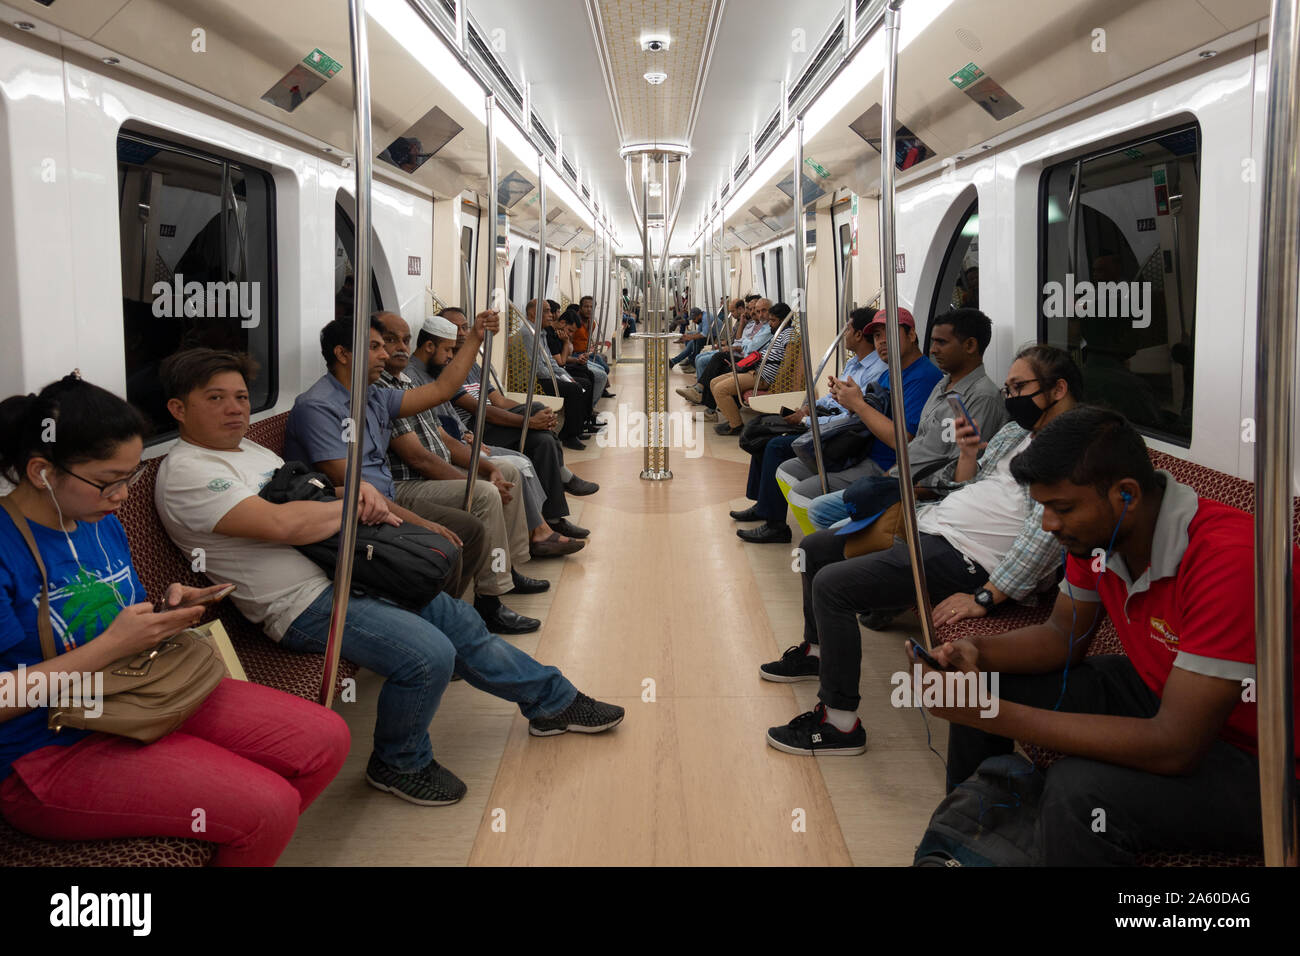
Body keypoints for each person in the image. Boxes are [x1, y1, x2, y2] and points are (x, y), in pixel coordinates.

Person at [155, 349, 625, 807]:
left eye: (240, 397)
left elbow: (311, 495)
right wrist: (348, 504)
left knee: (459, 621)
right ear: (179, 408)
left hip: (345, 568)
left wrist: (351, 490)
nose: (235, 409)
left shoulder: (249, 450)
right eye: (216, 399)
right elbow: (284, 524)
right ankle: (398, 762)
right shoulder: (189, 473)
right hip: (299, 603)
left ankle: (553, 702)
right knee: (429, 655)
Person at [922, 405, 1298, 865]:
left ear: (1126, 494)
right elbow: (1063, 634)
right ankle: (970, 840)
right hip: (1166, 693)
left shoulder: (1231, 561)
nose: (1047, 525)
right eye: (1043, 507)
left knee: (1080, 795)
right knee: (984, 677)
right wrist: (977, 649)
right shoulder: (1100, 535)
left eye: (1061, 508)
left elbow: (1176, 745)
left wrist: (989, 714)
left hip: (1269, 764)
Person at [0, 373, 349, 865]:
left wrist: (166, 611)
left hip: (133, 691)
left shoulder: (98, 521)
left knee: (325, 739)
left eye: (131, 477)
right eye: (109, 480)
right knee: (267, 808)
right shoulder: (6, 547)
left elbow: (116, 619)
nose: (123, 494)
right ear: (41, 471)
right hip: (47, 746)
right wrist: (114, 645)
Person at [762, 346, 1081, 756]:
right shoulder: (1017, 434)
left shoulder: (1071, 451)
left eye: (1020, 387)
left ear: (1058, 389)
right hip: (937, 527)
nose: (1010, 398)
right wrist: (968, 455)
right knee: (814, 549)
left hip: (969, 557)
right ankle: (817, 652)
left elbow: (1045, 537)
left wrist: (987, 594)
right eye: (1008, 388)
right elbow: (968, 485)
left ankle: (839, 722)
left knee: (832, 586)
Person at [284, 313, 547, 632]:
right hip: (355, 514)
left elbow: (440, 390)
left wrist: (475, 337)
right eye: (374, 347)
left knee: (471, 530)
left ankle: (445, 616)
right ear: (342, 354)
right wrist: (423, 523)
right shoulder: (319, 407)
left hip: (388, 498)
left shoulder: (374, 396)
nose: (385, 354)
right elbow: (352, 487)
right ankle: (435, 621)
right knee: (451, 533)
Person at [376, 313, 569, 628]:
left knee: (508, 471)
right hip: (410, 481)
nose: (399, 348)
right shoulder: (383, 392)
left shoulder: (406, 382)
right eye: (388, 341)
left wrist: (489, 467)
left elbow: (446, 440)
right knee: (485, 494)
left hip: (435, 468)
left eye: (404, 340)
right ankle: (490, 601)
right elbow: (420, 460)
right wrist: (474, 480)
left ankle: (507, 568)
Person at [785, 308, 1007, 536]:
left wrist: (908, 487)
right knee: (818, 508)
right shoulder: (942, 385)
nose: (933, 349)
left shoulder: (979, 397)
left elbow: (959, 469)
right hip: (895, 474)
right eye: (877, 336)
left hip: (916, 490)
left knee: (825, 523)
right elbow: (920, 443)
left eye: (941, 342)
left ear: (970, 346)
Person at [731, 305, 888, 542]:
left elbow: (853, 417)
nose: (843, 335)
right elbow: (832, 397)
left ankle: (776, 526)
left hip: (843, 432)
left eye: (847, 329)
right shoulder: (855, 363)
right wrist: (806, 409)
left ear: (858, 335)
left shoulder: (877, 370)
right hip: (824, 418)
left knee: (775, 446)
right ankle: (762, 503)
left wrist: (807, 420)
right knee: (762, 433)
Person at [772, 308, 944, 522]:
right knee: (786, 470)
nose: (881, 341)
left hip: (884, 463)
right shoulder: (891, 373)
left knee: (802, 495)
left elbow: (903, 440)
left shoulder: (922, 378)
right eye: (877, 335)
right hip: (862, 451)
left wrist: (859, 405)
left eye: (889, 333)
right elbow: (875, 414)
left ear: (911, 335)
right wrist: (851, 402)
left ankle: (832, 542)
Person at [428, 308, 598, 521]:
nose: (462, 333)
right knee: (538, 421)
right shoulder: (447, 368)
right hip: (477, 425)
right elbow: (481, 411)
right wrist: (528, 421)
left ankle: (553, 519)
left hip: (493, 419)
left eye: (465, 327)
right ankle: (562, 486)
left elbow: (498, 400)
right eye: (455, 328)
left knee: (542, 433)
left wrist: (532, 413)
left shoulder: (472, 363)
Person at [710, 302, 794, 435]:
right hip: (755, 371)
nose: (770, 323)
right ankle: (732, 419)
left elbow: (788, 360)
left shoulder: (789, 334)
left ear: (784, 321)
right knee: (714, 382)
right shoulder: (777, 334)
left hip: (763, 377)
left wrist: (778, 384)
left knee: (720, 390)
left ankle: (736, 425)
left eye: (773, 320)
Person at [527, 299, 595, 450]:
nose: (551, 316)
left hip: (547, 374)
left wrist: (565, 376)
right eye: (547, 311)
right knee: (575, 388)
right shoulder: (529, 333)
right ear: (533, 313)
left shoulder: (541, 333)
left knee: (581, 382)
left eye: (551, 311)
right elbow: (539, 368)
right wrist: (558, 377)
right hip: (538, 380)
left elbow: (551, 361)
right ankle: (569, 435)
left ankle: (578, 428)